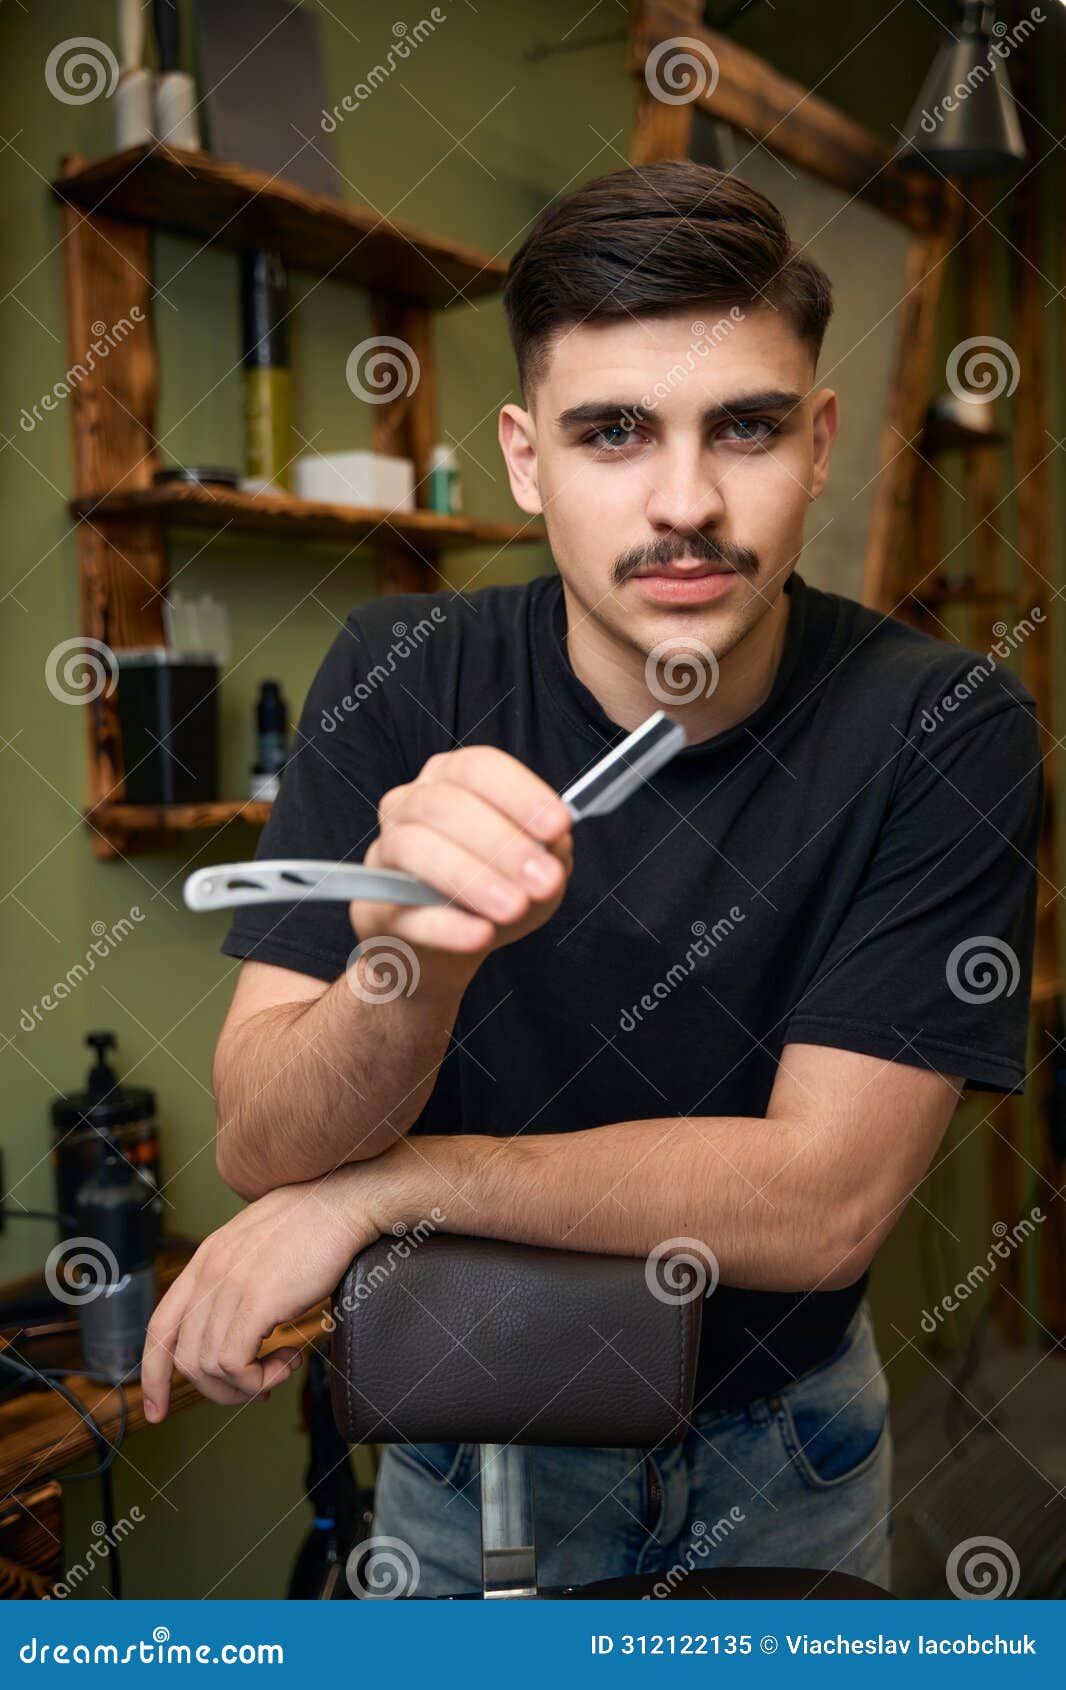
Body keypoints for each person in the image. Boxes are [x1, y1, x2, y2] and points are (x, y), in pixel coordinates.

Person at [140, 161, 1042, 1597]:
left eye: (741, 428)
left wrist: (390, 1190)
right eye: (610, 431)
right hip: (467, 1448)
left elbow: (823, 1202)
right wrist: (408, 966)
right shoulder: (399, 676)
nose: (683, 501)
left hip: (785, 1453)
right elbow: (264, 1139)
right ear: (522, 456)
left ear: (816, 442)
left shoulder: (942, 723)